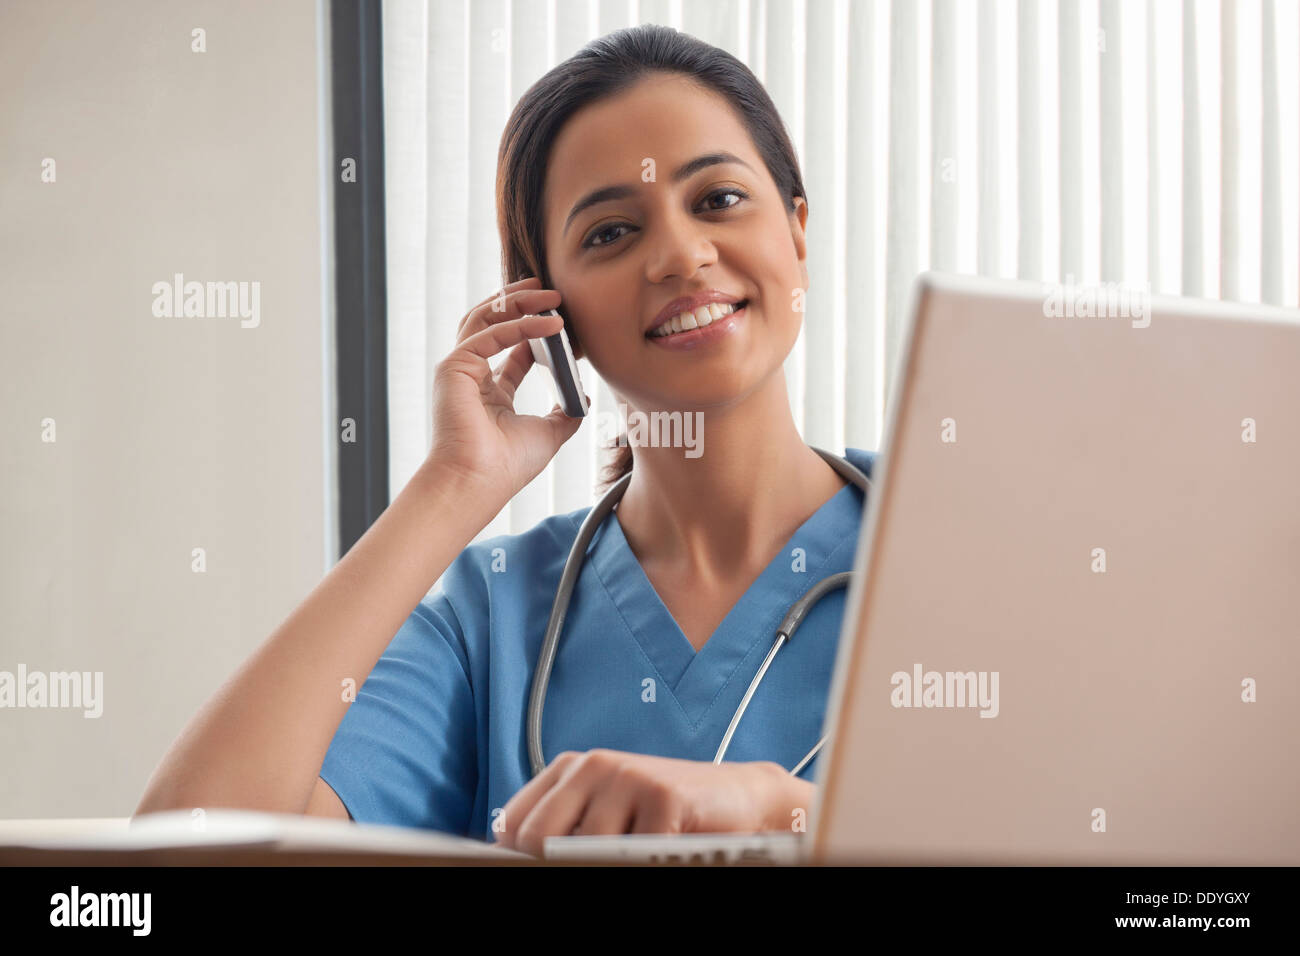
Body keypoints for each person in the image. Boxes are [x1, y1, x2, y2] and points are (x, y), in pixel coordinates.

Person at [135, 23, 874, 858]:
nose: (679, 254)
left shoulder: (953, 544)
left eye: (718, 199)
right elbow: (185, 845)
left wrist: (782, 810)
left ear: (797, 229)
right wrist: (453, 486)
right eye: (610, 233)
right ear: (548, 312)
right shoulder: (489, 620)